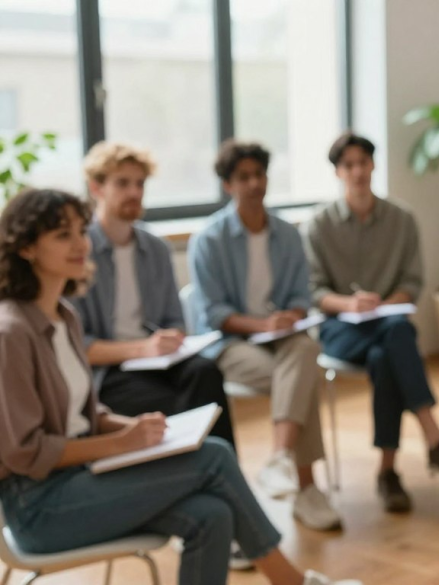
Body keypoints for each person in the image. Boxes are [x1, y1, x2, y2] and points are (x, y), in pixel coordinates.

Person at [0, 188, 361, 585]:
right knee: (215, 456)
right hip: (39, 507)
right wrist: (121, 444)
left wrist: (139, 429)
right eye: (61, 235)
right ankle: (292, 582)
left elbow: (84, 416)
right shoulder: (11, 332)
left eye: (80, 231)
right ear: (27, 248)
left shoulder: (64, 317)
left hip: (81, 481)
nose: (81, 244)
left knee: (212, 515)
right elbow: (25, 453)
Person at [303, 132, 439, 513]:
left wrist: (384, 303)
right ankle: (433, 437)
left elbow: (413, 283)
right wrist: (350, 303)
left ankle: (387, 471)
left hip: (387, 323)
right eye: (349, 165)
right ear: (338, 172)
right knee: (397, 335)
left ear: (374, 165)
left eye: (363, 162)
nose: (358, 171)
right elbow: (312, 291)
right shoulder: (317, 225)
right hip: (340, 329)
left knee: (388, 352)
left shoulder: (401, 218)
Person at [188, 140, 339, 531]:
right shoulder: (208, 239)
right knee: (300, 379)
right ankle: (307, 489)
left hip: (283, 341)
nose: (254, 183)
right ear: (228, 185)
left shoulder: (288, 234)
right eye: (243, 177)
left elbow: (302, 296)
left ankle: (278, 459)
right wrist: (260, 326)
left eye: (259, 174)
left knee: (304, 350)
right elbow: (212, 313)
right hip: (230, 343)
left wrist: (291, 315)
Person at [72, 141, 236, 449]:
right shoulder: (80, 252)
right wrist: (142, 348)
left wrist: (171, 338)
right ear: (97, 188)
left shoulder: (155, 249)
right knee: (171, 403)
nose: (135, 192)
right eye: (122, 183)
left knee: (206, 373)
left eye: (140, 184)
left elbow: (175, 320)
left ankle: (224, 471)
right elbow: (78, 345)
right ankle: (196, 477)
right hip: (109, 370)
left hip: (158, 360)